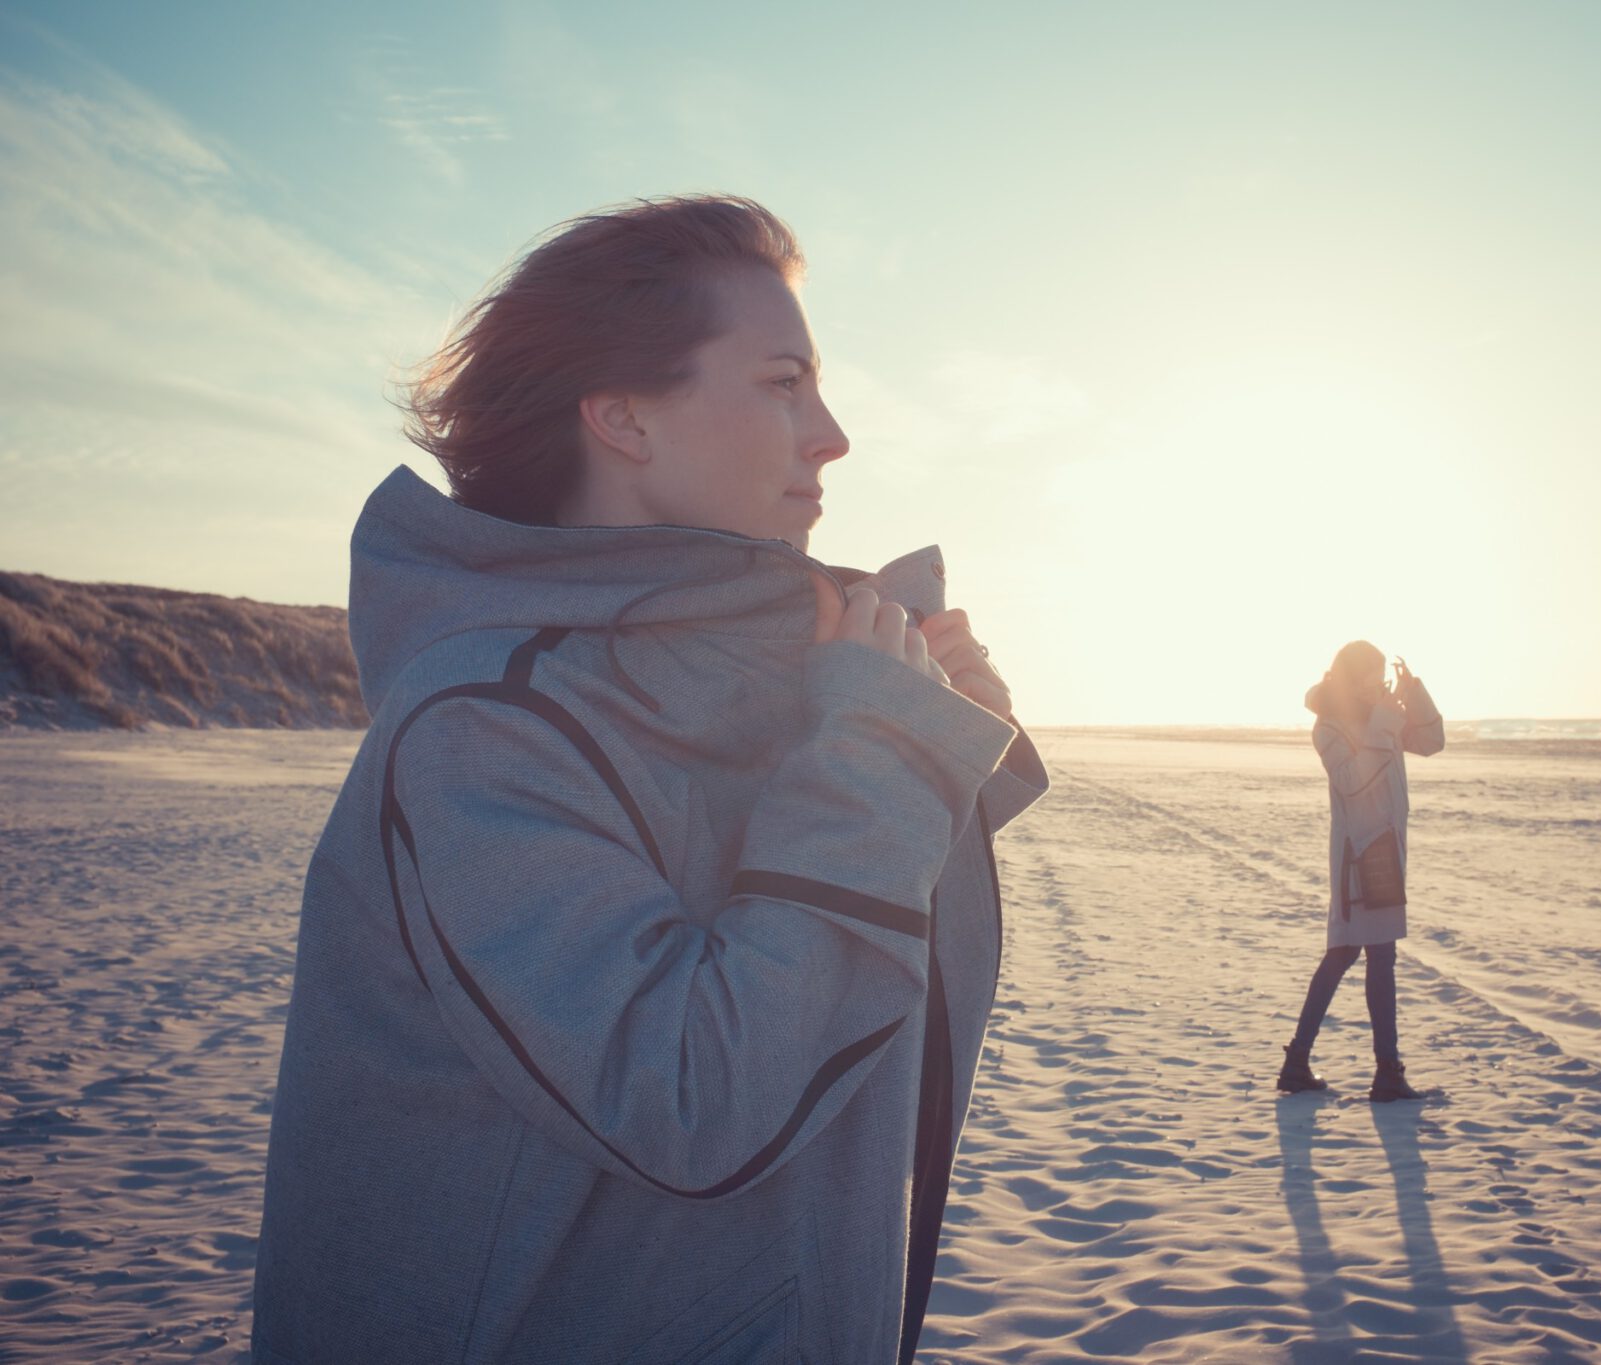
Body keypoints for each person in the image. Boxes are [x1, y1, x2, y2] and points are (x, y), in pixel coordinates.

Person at [251, 196, 1048, 1364]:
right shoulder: (479, 728)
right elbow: (693, 1100)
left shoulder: (748, 665)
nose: (830, 434)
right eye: (783, 382)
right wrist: (881, 754)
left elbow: (831, 980)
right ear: (623, 417)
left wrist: (943, 747)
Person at [1279, 640, 1443, 1101]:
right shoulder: (1329, 728)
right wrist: (1382, 724)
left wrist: (1415, 695)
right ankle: (1382, 1072)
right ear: (1352, 681)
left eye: (1384, 679)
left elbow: (1432, 742)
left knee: (1360, 955)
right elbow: (1352, 783)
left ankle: (1304, 1063)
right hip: (1359, 859)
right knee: (1359, 955)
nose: (1380, 687)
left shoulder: (1381, 717)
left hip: (1387, 851)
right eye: (1372, 680)